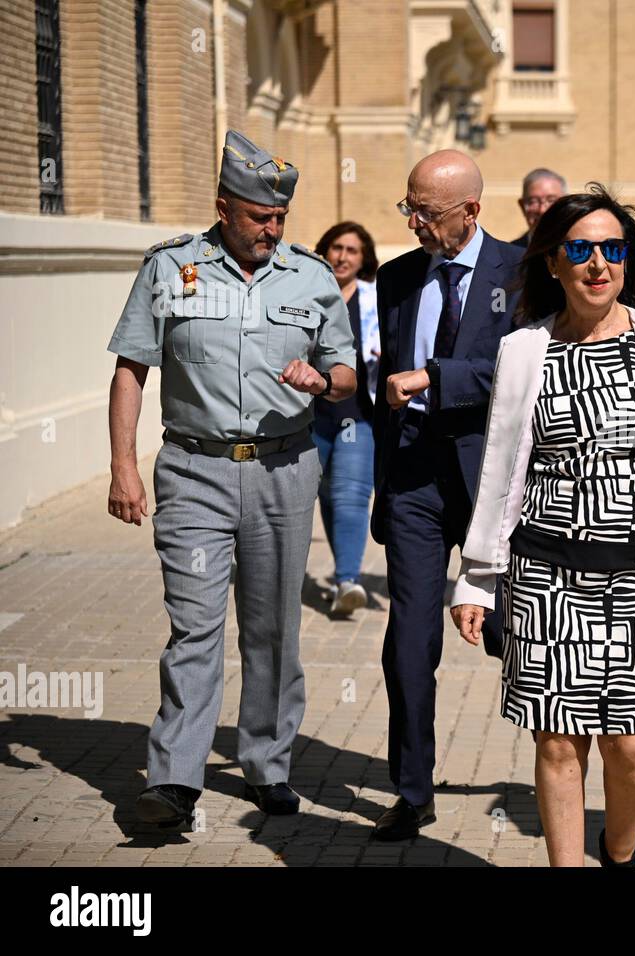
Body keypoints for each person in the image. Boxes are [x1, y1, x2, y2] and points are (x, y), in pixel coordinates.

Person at [449, 185, 635, 867]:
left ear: (628, 260)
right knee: (557, 741)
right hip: (543, 572)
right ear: (553, 261)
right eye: (580, 248)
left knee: (631, 746)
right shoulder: (524, 351)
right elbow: (500, 475)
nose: (597, 263)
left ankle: (620, 852)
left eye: (612, 249)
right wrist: (477, 581)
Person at [107, 130, 358, 827]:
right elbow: (131, 367)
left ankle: (267, 764)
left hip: (284, 469)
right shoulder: (169, 269)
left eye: (279, 218)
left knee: (273, 630)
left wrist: (324, 379)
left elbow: (345, 370)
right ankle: (175, 781)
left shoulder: (310, 277)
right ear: (224, 207)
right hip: (193, 472)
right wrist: (123, 466)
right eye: (258, 217)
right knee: (193, 628)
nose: (271, 229)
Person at [369, 150, 524, 840]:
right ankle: (411, 789)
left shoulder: (520, 275)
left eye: (427, 212)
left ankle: (562, 749)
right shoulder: (395, 277)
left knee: (510, 630)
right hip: (412, 478)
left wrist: (433, 377)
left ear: (472, 212)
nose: (415, 223)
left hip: (492, 478)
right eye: (409, 208)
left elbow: (520, 372)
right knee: (408, 634)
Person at [312, 221, 382, 615]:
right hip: (311, 416)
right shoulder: (310, 292)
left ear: (363, 258)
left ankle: (348, 580)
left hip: (359, 417)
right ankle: (343, 579)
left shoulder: (374, 298)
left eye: (352, 250)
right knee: (322, 494)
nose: (342, 256)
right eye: (336, 247)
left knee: (351, 495)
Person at [513, 168, 566, 248]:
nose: (542, 210)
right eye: (533, 201)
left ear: (566, 204)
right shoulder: (508, 256)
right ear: (522, 206)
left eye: (551, 200)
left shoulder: (580, 251)